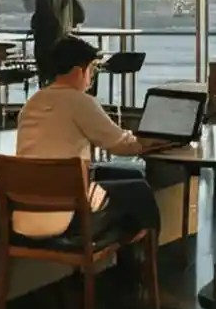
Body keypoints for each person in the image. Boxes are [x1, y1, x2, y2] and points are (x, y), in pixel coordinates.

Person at [14, 36, 162, 245]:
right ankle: (148, 261)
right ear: (78, 71)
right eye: (91, 70)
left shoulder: (33, 102)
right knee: (138, 190)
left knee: (123, 176)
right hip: (68, 215)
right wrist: (146, 142)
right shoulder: (80, 101)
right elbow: (119, 144)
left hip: (26, 211)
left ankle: (131, 258)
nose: (91, 77)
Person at [30, 0, 85, 85]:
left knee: (45, 71)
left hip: (44, 40)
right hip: (60, 37)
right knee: (57, 72)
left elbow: (41, 14)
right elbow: (79, 14)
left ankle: (46, 92)